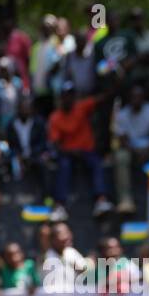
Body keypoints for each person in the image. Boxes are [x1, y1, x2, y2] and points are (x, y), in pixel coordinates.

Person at [47, 82, 113, 217]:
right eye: (65, 96)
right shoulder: (55, 117)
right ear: (61, 98)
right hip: (68, 153)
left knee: (97, 163)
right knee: (63, 166)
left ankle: (101, 201)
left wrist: (113, 79)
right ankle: (59, 206)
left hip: (87, 151)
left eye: (71, 95)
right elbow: (55, 144)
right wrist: (70, 152)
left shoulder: (82, 107)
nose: (68, 98)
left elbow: (103, 98)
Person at [111, 84, 149, 214]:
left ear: (143, 98)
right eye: (133, 97)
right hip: (130, 149)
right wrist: (135, 151)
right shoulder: (122, 114)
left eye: (139, 97)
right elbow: (122, 139)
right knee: (120, 156)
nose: (136, 100)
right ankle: (125, 200)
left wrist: (145, 151)